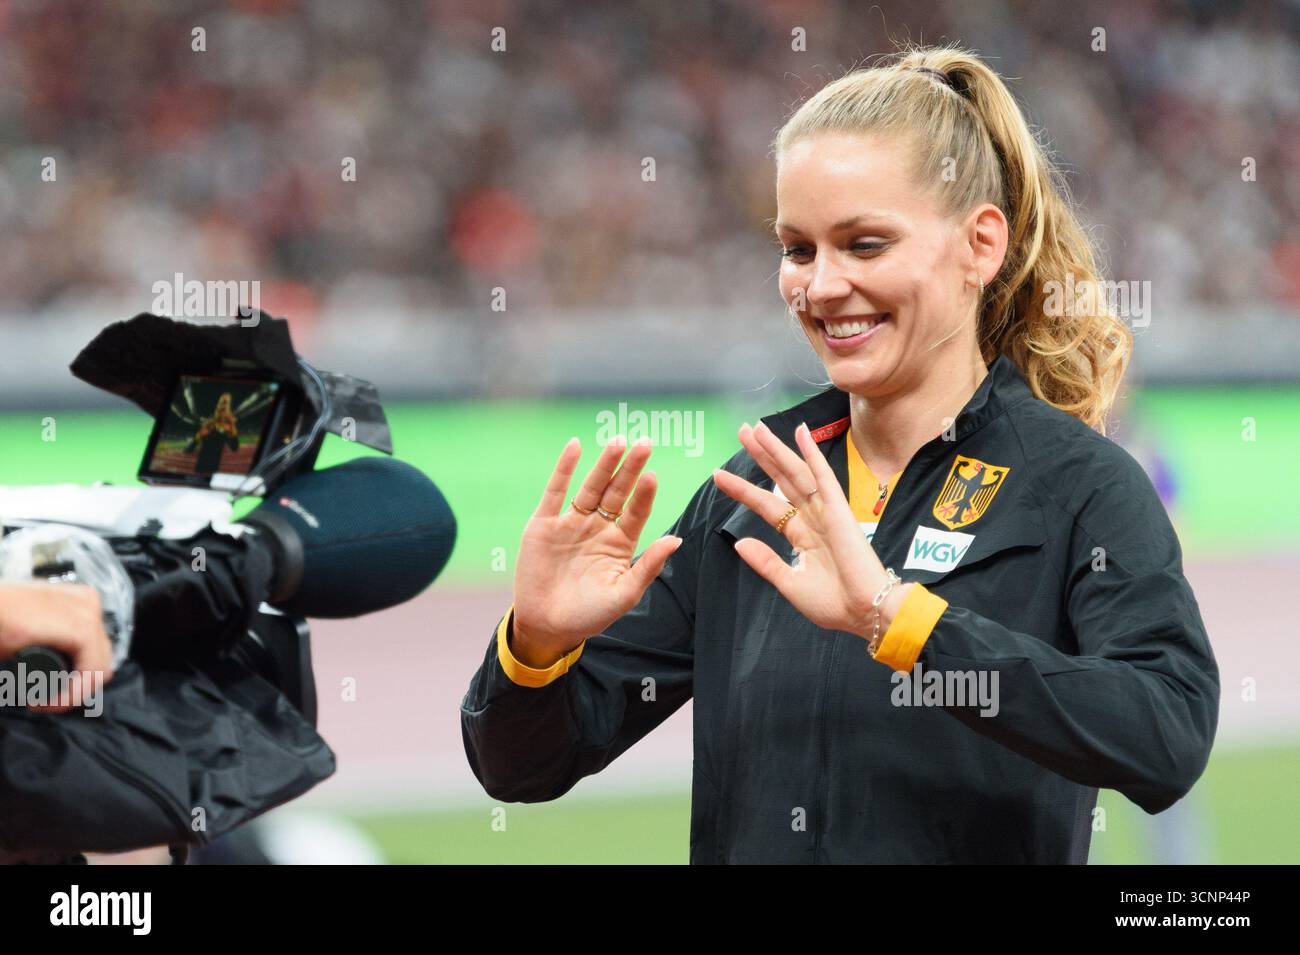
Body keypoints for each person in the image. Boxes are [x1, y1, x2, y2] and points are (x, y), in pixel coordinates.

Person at [460, 45, 1220, 863]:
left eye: (863, 245)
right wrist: (535, 648)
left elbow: (1165, 735)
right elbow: (524, 767)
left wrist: (898, 618)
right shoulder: (751, 490)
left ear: (980, 245)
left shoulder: (1079, 484)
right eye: (798, 249)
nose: (819, 286)